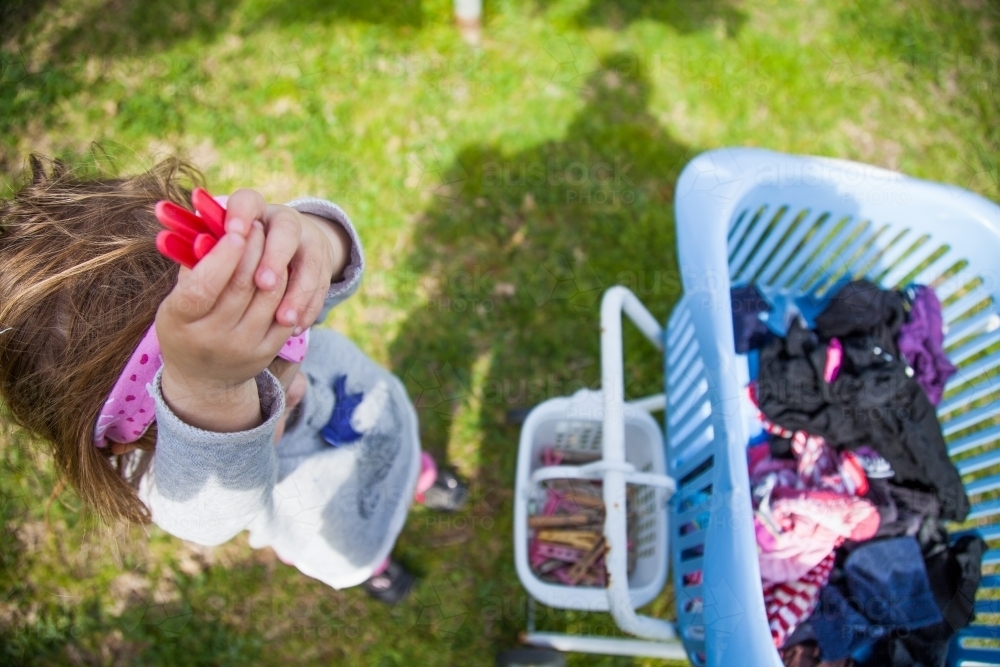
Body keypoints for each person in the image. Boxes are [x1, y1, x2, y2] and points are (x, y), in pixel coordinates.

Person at [0, 155, 467, 603]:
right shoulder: (169, 476)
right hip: (339, 528)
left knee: (400, 457)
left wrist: (315, 242)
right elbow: (209, 515)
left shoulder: (238, 312)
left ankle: (418, 476)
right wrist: (209, 395)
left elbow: (327, 275)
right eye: (262, 398)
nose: (299, 387)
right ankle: (376, 566)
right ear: (144, 437)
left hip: (384, 421)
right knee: (361, 547)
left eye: (288, 343)